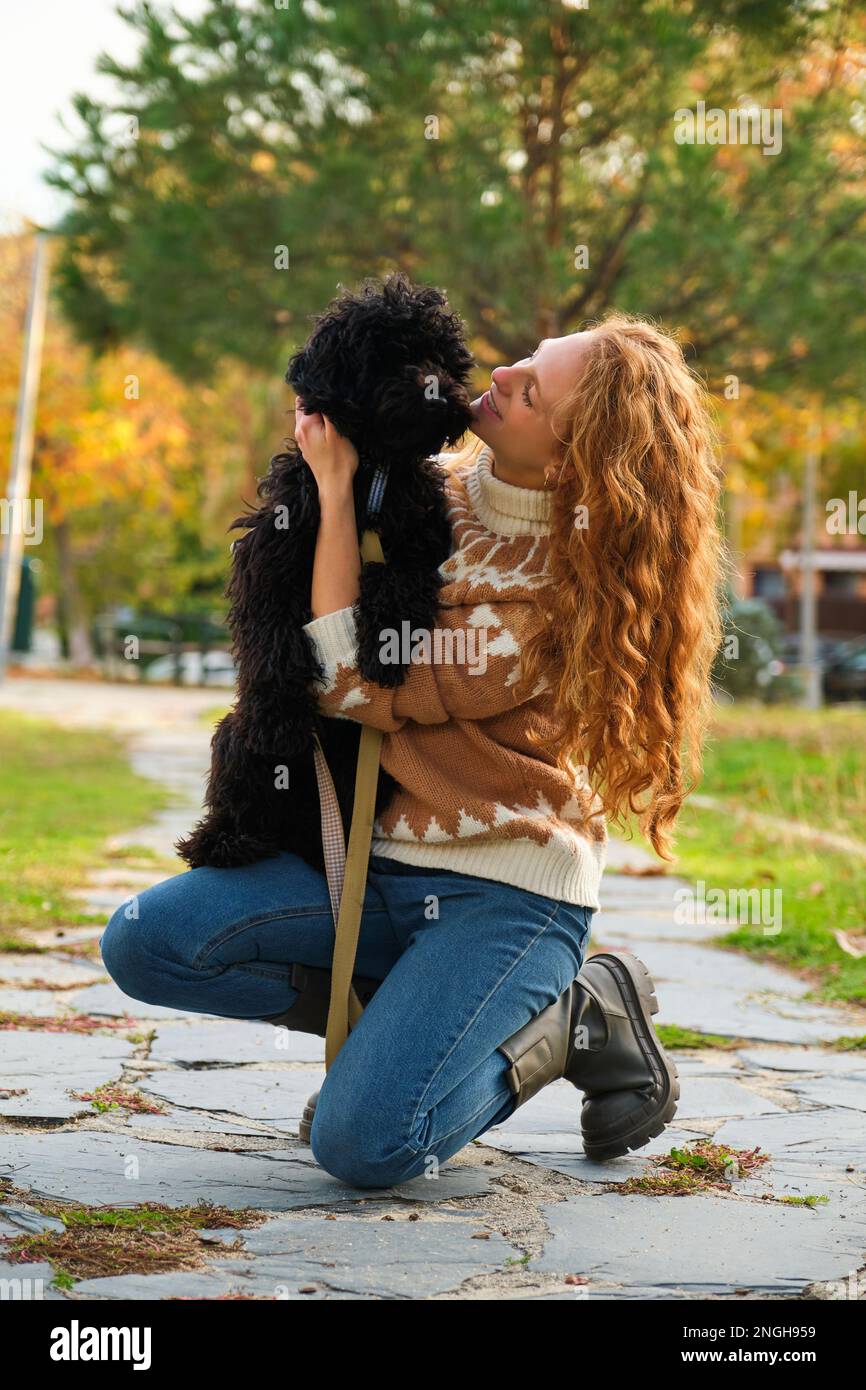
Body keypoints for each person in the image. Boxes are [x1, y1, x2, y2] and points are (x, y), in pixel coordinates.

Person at [100, 311, 724, 1189]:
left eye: (531, 389)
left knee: (366, 1146)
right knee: (146, 943)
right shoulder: (433, 484)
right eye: (524, 359)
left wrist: (337, 494)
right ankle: (405, 1029)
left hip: (505, 890)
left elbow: (356, 683)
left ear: (573, 457)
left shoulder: (560, 590)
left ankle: (575, 1011)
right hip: (370, 864)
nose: (500, 374)